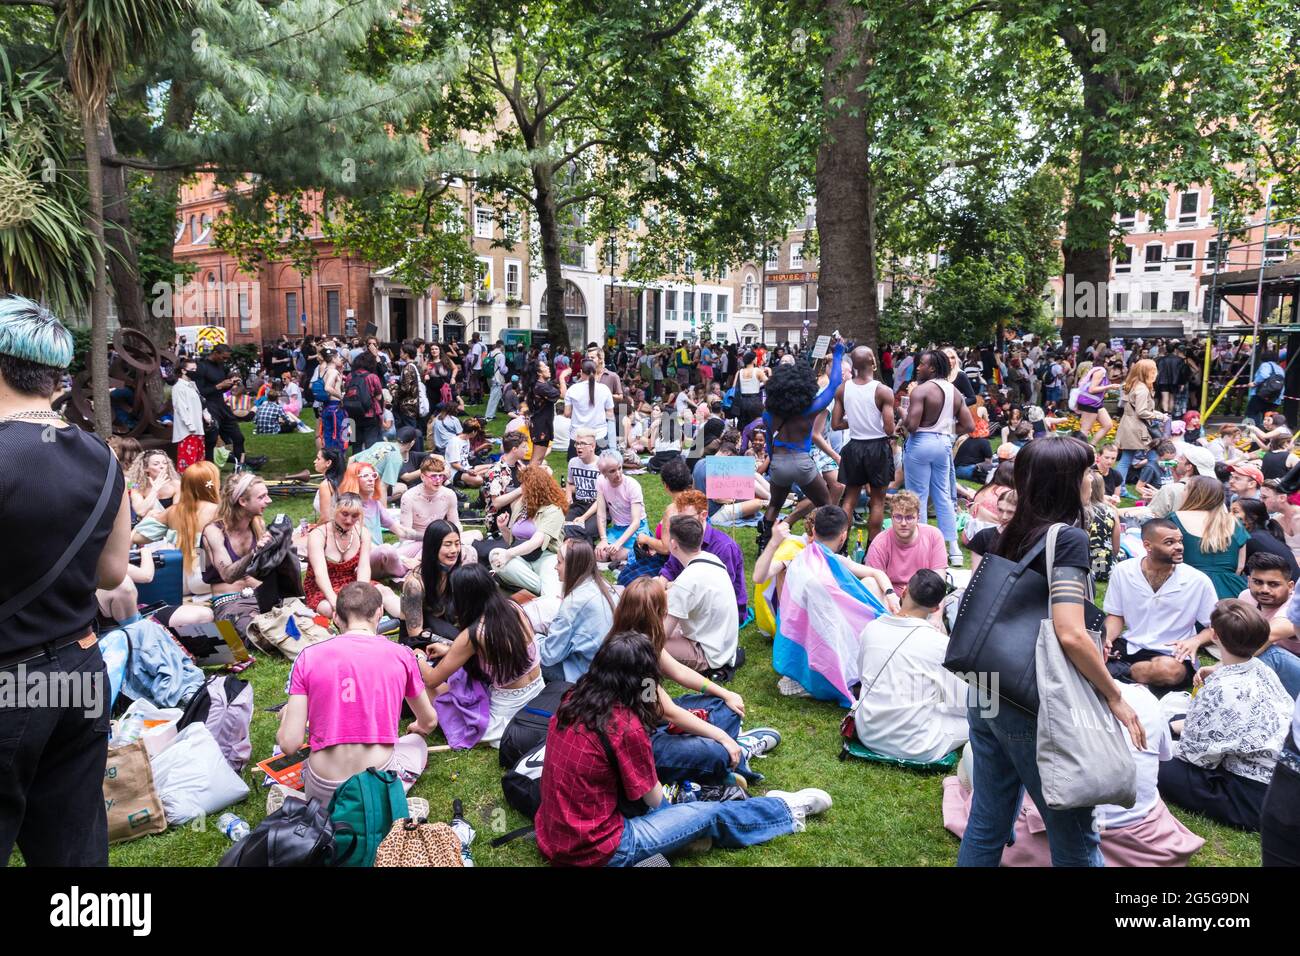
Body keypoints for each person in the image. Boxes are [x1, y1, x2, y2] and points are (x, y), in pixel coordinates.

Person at [958, 436, 1145, 868]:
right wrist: (1114, 696)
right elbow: (1071, 632)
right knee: (1076, 837)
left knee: (987, 820)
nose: (1092, 479)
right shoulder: (1067, 539)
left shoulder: (1008, 531)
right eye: (1087, 471)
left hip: (986, 685)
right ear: (1066, 480)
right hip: (1030, 698)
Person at [0, 296, 131, 866]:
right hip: (78, 667)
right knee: (74, 851)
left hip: (10, 676)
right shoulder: (102, 455)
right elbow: (112, 572)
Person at [534, 631, 831, 867]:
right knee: (706, 815)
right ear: (643, 679)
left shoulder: (572, 699)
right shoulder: (624, 726)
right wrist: (680, 821)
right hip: (602, 849)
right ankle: (786, 810)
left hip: (554, 835)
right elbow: (655, 801)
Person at [944, 681, 1205, 866]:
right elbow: (1161, 759)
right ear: (1105, 648)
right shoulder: (1141, 697)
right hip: (1137, 834)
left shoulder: (1044, 696)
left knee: (986, 794)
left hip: (991, 682)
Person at [279, 582, 437, 806]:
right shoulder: (402, 655)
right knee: (415, 743)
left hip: (323, 787)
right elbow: (429, 721)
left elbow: (289, 744)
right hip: (377, 780)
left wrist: (286, 716)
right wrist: (418, 727)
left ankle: (303, 807)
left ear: (336, 617)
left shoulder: (307, 657)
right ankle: (392, 805)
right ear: (380, 612)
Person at [1158, 600, 1293, 831]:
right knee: (1173, 724)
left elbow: (1197, 759)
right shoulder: (1263, 669)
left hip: (1255, 795)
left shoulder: (1220, 687)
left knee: (1161, 765)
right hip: (1283, 775)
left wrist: (1169, 735)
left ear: (1215, 635)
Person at [416, 563, 544, 746]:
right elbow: (502, 652)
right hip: (538, 691)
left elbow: (431, 680)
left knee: (422, 682)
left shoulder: (475, 634)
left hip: (505, 715)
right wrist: (450, 648)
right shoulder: (512, 607)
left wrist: (417, 657)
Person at [852, 569, 968, 762]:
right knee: (979, 718)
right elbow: (964, 704)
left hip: (868, 733)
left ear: (904, 591)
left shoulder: (871, 629)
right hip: (916, 746)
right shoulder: (940, 644)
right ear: (936, 608)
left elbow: (863, 675)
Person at [1103, 517, 1217, 690]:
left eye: (1180, 541)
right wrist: (1105, 640)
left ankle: (1117, 673)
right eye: (1169, 542)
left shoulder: (1198, 581)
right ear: (1147, 546)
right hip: (1130, 646)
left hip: (1173, 654)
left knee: (1168, 671)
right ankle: (1128, 675)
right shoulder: (1123, 570)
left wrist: (1195, 641)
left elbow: (1215, 627)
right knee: (1084, 651)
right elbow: (1116, 616)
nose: (1179, 546)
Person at [757, 342, 845, 551]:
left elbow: (769, 443)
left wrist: (774, 464)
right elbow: (834, 384)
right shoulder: (811, 409)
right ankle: (834, 545)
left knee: (774, 505)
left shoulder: (769, 414)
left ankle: (764, 545)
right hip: (802, 462)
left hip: (779, 462)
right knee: (826, 505)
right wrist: (838, 353)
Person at [901, 349, 975, 567]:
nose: (918, 367)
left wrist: (902, 412)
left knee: (918, 496)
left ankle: (923, 547)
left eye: (921, 364)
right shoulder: (955, 392)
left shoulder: (921, 390)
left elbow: (912, 426)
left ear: (932, 368)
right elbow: (969, 425)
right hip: (943, 444)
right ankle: (953, 549)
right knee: (943, 495)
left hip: (920, 444)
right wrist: (944, 429)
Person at [662, 515, 739, 674]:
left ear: (674, 544)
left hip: (709, 654)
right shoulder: (712, 559)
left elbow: (661, 635)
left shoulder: (686, 582)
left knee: (645, 644)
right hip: (724, 643)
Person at [833, 346, 895, 538]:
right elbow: (889, 429)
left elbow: (836, 424)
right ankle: (872, 547)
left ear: (854, 365)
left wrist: (855, 421)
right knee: (877, 501)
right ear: (873, 362)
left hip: (854, 446)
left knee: (849, 500)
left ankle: (841, 544)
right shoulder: (883, 390)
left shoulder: (843, 389)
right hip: (877, 447)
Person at [660, 490, 748, 625]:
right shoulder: (682, 535)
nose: (680, 524)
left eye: (686, 518)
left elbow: (720, 591)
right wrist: (659, 589)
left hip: (723, 609)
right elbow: (670, 568)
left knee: (665, 627)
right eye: (679, 518)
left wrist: (677, 587)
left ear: (703, 515)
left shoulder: (724, 547)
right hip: (689, 593)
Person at [537, 538, 618, 682]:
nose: (555, 567)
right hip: (609, 667)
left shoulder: (573, 603)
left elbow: (548, 655)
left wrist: (533, 638)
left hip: (586, 676)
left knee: (528, 654)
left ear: (572, 566)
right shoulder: (604, 585)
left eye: (559, 562)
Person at [488, 465, 566, 598]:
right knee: (495, 555)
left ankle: (540, 590)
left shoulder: (554, 509)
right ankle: (541, 589)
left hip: (545, 556)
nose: (521, 488)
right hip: (521, 556)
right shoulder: (521, 505)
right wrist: (503, 528)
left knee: (504, 558)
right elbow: (512, 543)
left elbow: (537, 541)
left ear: (536, 488)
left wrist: (509, 554)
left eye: (525, 485)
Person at [1169, 475, 1249, 599]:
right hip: (1231, 590)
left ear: (1193, 494)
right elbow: (1239, 567)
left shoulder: (1174, 518)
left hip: (1188, 588)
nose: (1182, 493)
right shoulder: (1235, 522)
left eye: (1185, 489)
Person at [865, 491, 947, 597]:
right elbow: (873, 582)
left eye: (909, 518)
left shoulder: (934, 536)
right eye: (898, 517)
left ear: (918, 518)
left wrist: (936, 608)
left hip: (923, 597)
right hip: (890, 597)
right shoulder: (879, 543)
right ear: (891, 517)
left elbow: (939, 580)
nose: (903, 523)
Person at [399, 520, 466, 643]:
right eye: (447, 544)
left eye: (457, 544)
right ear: (433, 547)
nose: (454, 550)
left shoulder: (454, 572)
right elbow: (415, 634)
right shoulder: (414, 585)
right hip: (418, 640)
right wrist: (452, 645)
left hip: (443, 628)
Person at [1114, 358, 1165, 488]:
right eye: (1153, 371)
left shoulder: (1133, 385)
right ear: (1145, 372)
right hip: (1137, 428)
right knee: (1150, 456)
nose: (1156, 373)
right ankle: (1154, 484)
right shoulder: (1142, 389)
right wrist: (1159, 416)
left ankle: (1121, 488)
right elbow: (1141, 412)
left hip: (1130, 425)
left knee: (1128, 459)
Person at [195, 343, 246, 467]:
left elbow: (220, 389)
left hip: (221, 406)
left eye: (227, 358)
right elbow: (200, 391)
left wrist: (229, 384)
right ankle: (209, 468)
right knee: (211, 440)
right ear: (215, 353)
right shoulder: (202, 366)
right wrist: (218, 386)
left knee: (238, 437)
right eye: (223, 357)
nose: (225, 360)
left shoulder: (220, 365)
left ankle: (240, 466)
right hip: (209, 406)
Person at [594, 450, 648, 568]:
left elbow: (636, 522)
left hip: (636, 529)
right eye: (612, 471)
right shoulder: (601, 482)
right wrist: (603, 539)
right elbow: (601, 513)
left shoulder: (632, 485)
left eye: (619, 468)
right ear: (604, 473)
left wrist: (618, 544)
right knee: (600, 555)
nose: (618, 474)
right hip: (618, 528)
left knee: (615, 556)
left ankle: (643, 546)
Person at [1233, 497, 1300, 580]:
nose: (1229, 516)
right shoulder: (1262, 534)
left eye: (1235, 512)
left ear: (1253, 517)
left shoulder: (1251, 539)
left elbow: (1237, 569)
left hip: (1285, 585)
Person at [564, 360, 615, 458]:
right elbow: (610, 413)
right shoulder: (604, 389)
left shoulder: (572, 389)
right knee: (601, 465)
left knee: (575, 465)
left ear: (581, 372)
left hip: (577, 436)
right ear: (596, 372)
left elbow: (567, 413)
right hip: (599, 435)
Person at [170, 354, 207, 471]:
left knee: (199, 463)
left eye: (195, 369)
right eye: (192, 369)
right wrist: (190, 425)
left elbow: (200, 404)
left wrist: (206, 416)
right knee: (188, 464)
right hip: (187, 432)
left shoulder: (192, 385)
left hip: (198, 429)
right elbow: (181, 408)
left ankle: (199, 481)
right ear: (183, 371)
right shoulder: (178, 387)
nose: (195, 372)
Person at [564, 430, 601, 541]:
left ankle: (583, 548)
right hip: (579, 504)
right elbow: (569, 483)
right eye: (577, 443)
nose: (579, 447)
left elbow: (602, 499)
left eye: (583, 443)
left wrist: (583, 518)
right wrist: (568, 496)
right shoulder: (573, 462)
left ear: (592, 446)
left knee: (585, 531)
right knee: (563, 527)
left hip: (598, 507)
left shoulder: (601, 464)